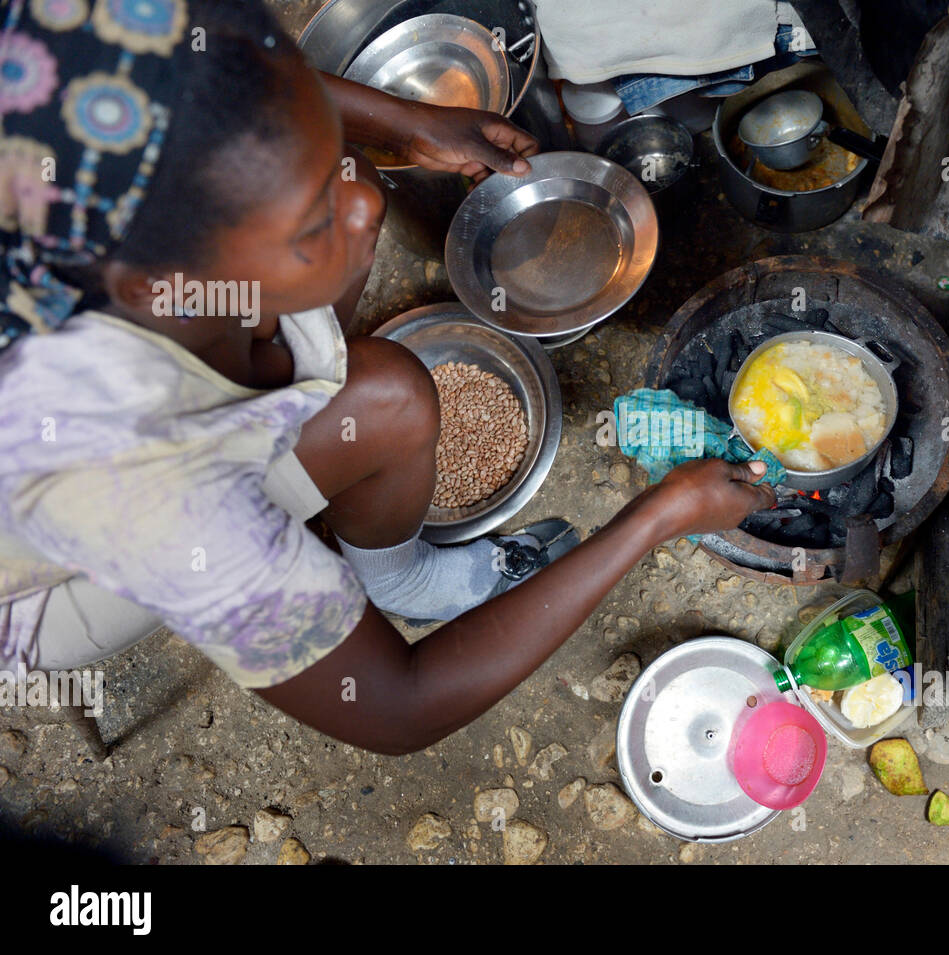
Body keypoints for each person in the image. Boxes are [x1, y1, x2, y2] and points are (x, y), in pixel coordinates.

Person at [0, 0, 775, 754]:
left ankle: (322, 434)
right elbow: (401, 708)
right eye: (312, 220)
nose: (365, 205)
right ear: (150, 285)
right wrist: (656, 517)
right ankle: (404, 582)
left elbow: (218, 67)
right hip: (45, 589)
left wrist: (404, 122)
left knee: (350, 211)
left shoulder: (52, 84)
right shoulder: (165, 503)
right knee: (391, 398)